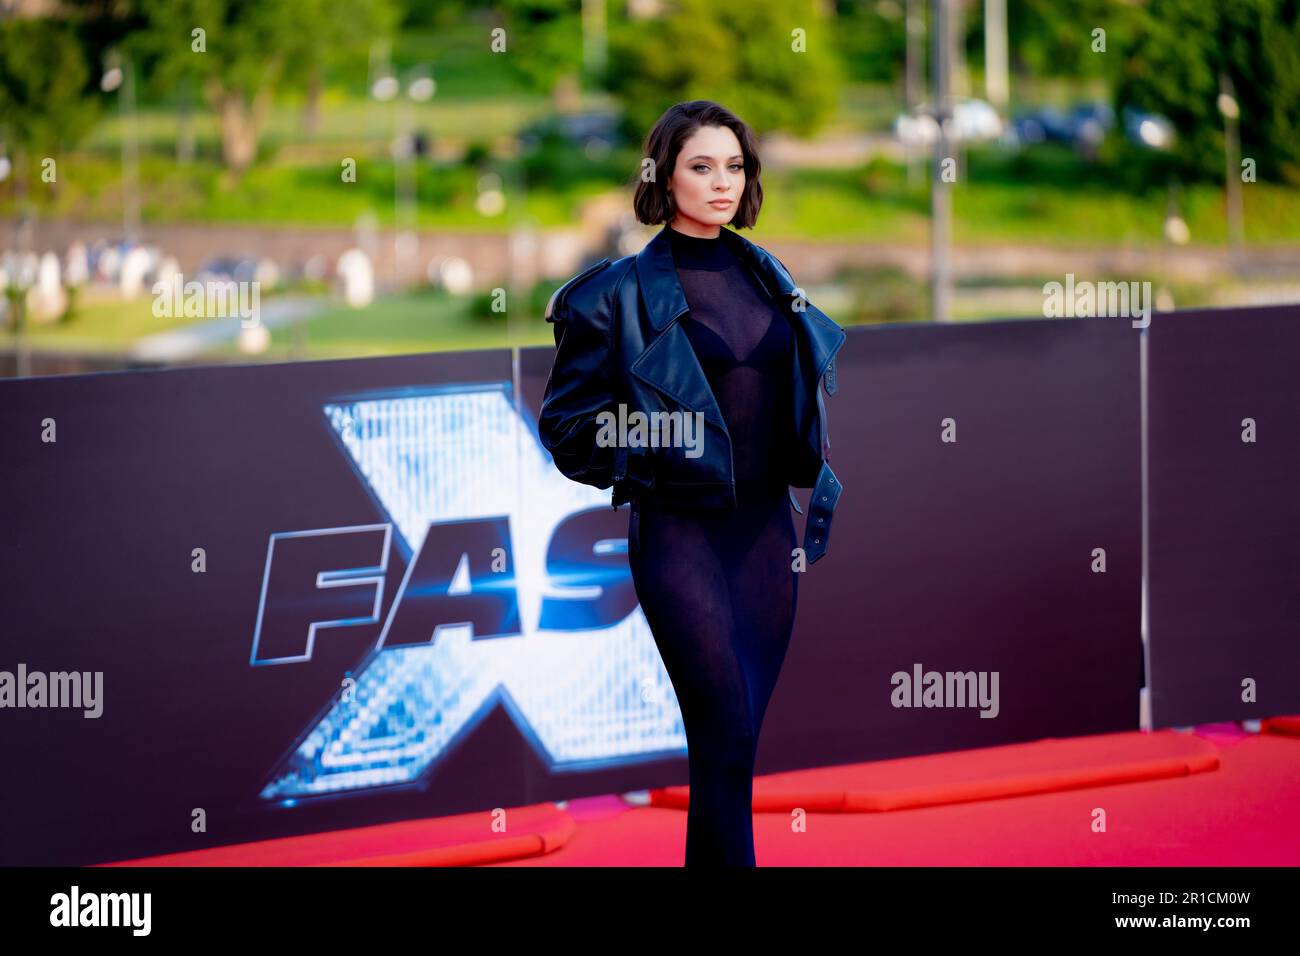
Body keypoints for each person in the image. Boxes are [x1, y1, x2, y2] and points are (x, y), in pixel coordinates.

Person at [540, 100, 844, 866]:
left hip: (768, 539)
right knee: (725, 728)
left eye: (734, 166)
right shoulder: (611, 295)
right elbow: (571, 432)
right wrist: (664, 451)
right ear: (662, 176)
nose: (722, 183)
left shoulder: (768, 277)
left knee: (735, 751)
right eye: (701, 166)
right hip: (681, 539)